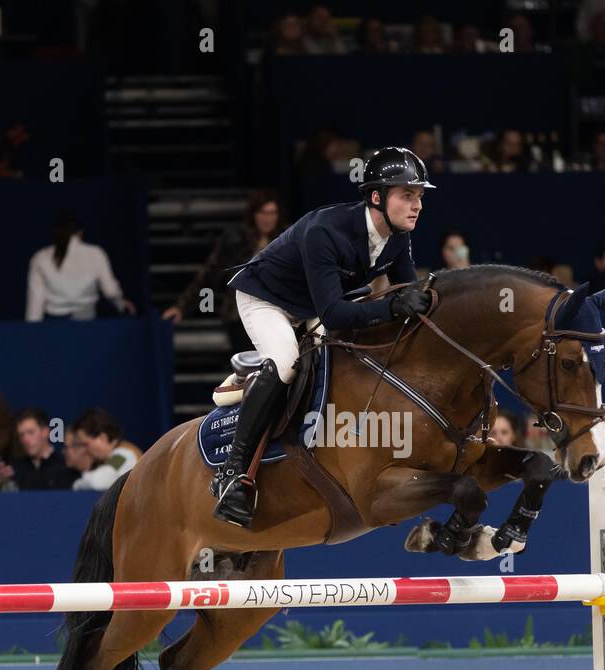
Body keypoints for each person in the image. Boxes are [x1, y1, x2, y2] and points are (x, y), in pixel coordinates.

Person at [217, 146, 433, 526]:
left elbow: (406, 294)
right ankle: (233, 475)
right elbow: (335, 313)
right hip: (266, 298)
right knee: (286, 362)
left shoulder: (398, 235)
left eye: (418, 196)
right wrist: (392, 307)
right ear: (377, 197)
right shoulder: (325, 231)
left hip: (310, 304)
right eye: (406, 195)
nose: (416, 205)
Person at [163, 191, 286, 355]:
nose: (267, 218)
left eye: (272, 213)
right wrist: (182, 307)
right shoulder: (235, 240)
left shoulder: (285, 240)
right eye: (263, 212)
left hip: (277, 313)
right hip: (241, 315)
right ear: (253, 214)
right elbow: (209, 275)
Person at [25, 213, 135, 321]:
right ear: (80, 232)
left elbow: (35, 303)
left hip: (55, 325)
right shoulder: (95, 253)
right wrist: (121, 304)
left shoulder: (40, 257)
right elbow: (110, 290)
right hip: (87, 323)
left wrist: (31, 333)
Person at [0, 408, 78, 491]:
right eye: (21, 435)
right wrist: (1, 485)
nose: (25, 440)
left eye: (30, 432)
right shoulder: (14, 470)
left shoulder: (65, 465)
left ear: (45, 432)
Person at [70, 407, 142, 491]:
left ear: (102, 438)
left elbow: (97, 482)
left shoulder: (122, 454)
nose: (84, 450)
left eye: (86, 444)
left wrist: (77, 484)